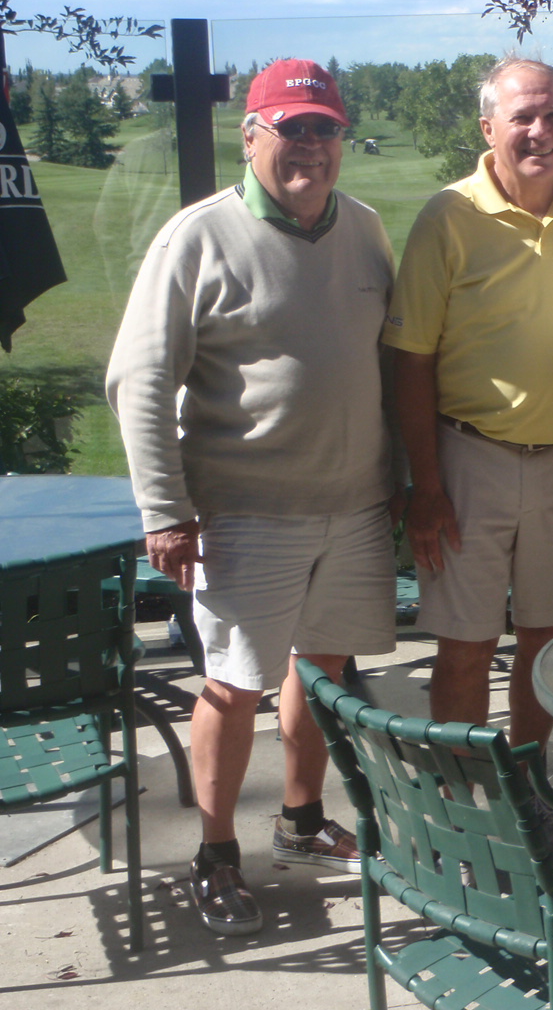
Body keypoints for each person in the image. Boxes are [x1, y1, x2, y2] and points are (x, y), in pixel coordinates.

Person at [107, 59, 401, 936]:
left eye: (325, 129)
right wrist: (164, 508)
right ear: (252, 137)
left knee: (324, 669)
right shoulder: (197, 237)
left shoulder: (367, 230)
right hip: (243, 513)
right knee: (233, 686)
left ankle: (302, 824)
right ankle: (215, 854)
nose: (309, 146)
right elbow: (139, 379)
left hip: (353, 508)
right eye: (291, 128)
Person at [383, 58, 553, 858]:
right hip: (468, 455)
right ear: (489, 128)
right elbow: (408, 357)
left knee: (547, 643)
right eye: (522, 118)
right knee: (467, 642)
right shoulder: (448, 216)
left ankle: (527, 795)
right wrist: (426, 484)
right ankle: (459, 809)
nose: (539, 132)